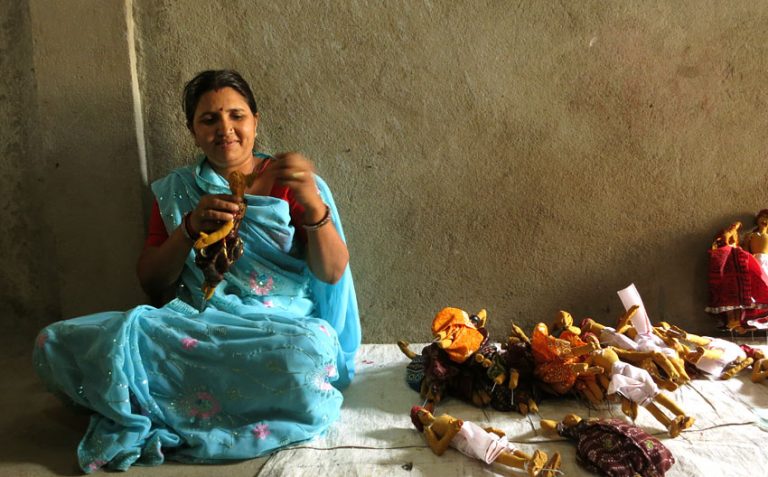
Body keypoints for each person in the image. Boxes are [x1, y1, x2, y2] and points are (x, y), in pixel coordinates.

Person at [33, 69, 361, 472]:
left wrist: (312, 204)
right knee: (55, 343)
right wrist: (188, 229)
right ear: (192, 130)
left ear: (255, 121)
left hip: (279, 325)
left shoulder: (291, 181)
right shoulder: (176, 191)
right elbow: (152, 282)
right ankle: (204, 396)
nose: (225, 129)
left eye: (236, 116)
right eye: (209, 119)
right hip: (198, 325)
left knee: (307, 356)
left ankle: (171, 400)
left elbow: (330, 273)